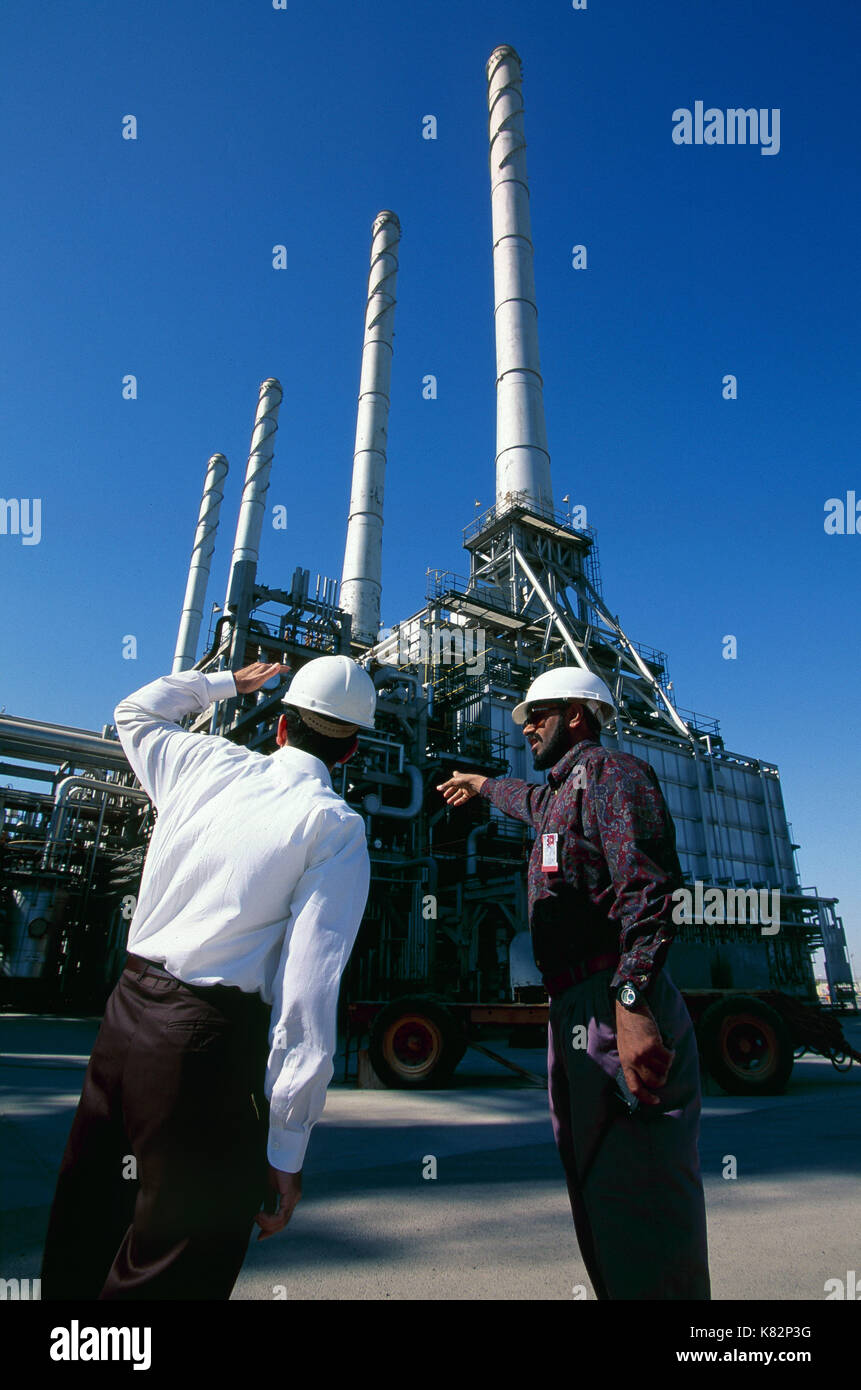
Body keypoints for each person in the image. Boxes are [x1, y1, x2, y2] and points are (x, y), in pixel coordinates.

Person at [41, 653, 376, 1300]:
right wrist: (287, 1148)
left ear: (279, 728)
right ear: (351, 752)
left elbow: (132, 710)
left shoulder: (204, 762)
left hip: (125, 1018)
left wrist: (227, 682)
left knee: (88, 1224)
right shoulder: (334, 829)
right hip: (205, 1048)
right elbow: (306, 1000)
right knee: (173, 1264)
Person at [437, 667, 710, 1300]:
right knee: (598, 1185)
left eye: (537, 713)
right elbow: (527, 802)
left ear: (579, 715)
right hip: (575, 1005)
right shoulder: (559, 794)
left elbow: (650, 890)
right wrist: (482, 784)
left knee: (641, 1189)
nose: (526, 725)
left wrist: (635, 1002)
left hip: (615, 996)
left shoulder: (612, 775)